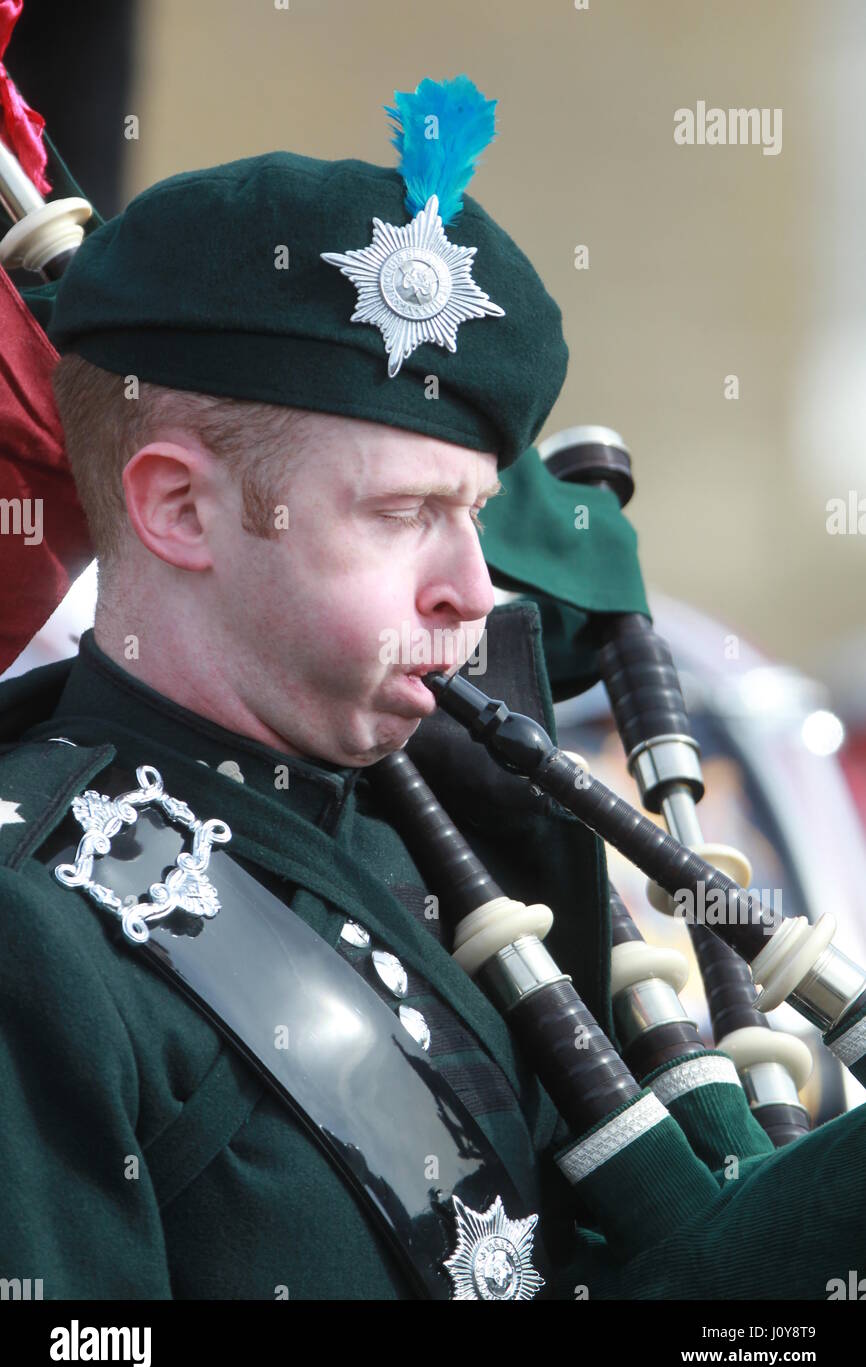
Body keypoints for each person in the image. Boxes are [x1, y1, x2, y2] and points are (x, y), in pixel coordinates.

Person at [3, 75, 866, 1304]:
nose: (472, 585)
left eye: (469, 511)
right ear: (178, 506)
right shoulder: (34, 933)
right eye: (406, 514)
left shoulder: (416, 839)